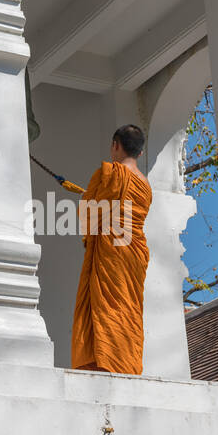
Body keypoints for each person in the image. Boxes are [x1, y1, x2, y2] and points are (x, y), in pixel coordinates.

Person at [71, 124, 153, 374]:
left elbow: (88, 214)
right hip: (133, 253)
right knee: (126, 307)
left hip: (110, 250)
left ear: (115, 145)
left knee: (106, 305)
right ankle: (124, 363)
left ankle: (101, 363)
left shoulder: (108, 173)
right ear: (140, 153)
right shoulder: (146, 186)